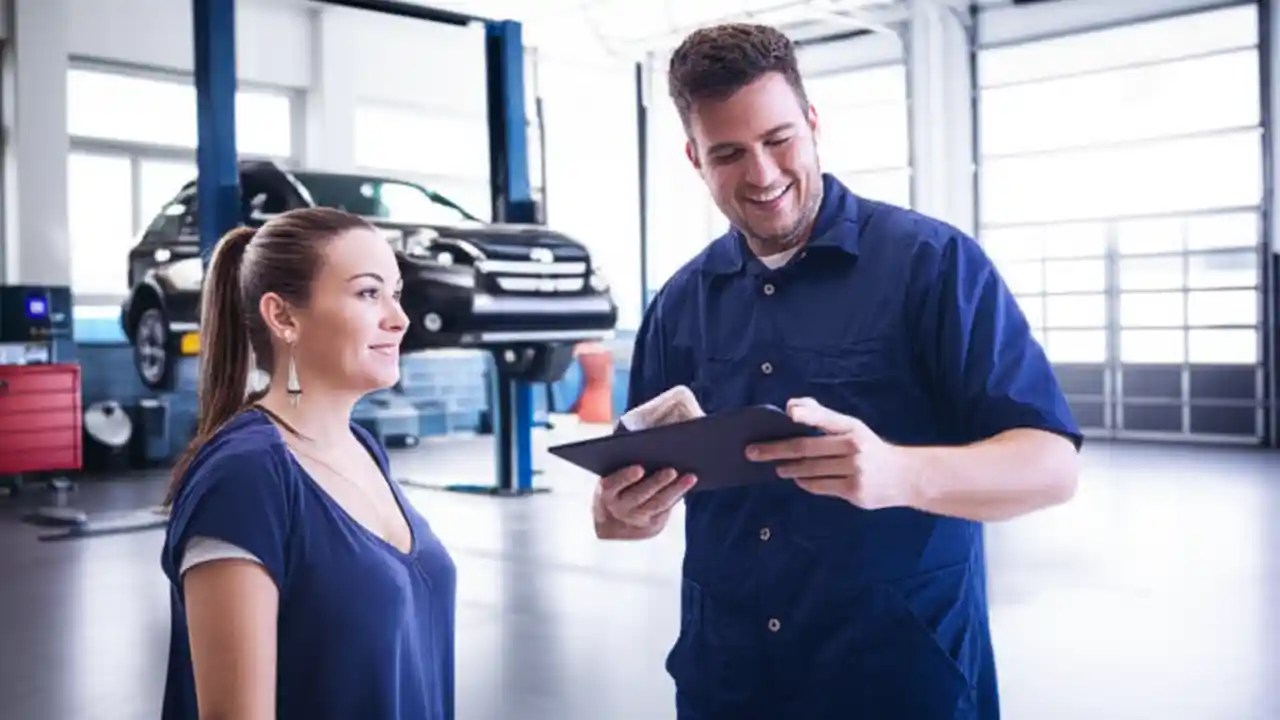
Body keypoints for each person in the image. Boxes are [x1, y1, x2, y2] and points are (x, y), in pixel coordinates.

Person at [591, 23, 1083, 719]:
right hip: (728, 682)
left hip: (898, 681)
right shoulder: (679, 303)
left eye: (779, 139)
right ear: (694, 158)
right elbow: (629, 502)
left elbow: (1051, 467)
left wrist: (899, 474)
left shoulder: (934, 266)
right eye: (728, 153)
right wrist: (622, 515)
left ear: (813, 122)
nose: (761, 175)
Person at [158, 208, 457, 720]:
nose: (398, 318)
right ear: (284, 317)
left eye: (396, 293)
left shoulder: (363, 449)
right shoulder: (244, 479)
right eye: (368, 293)